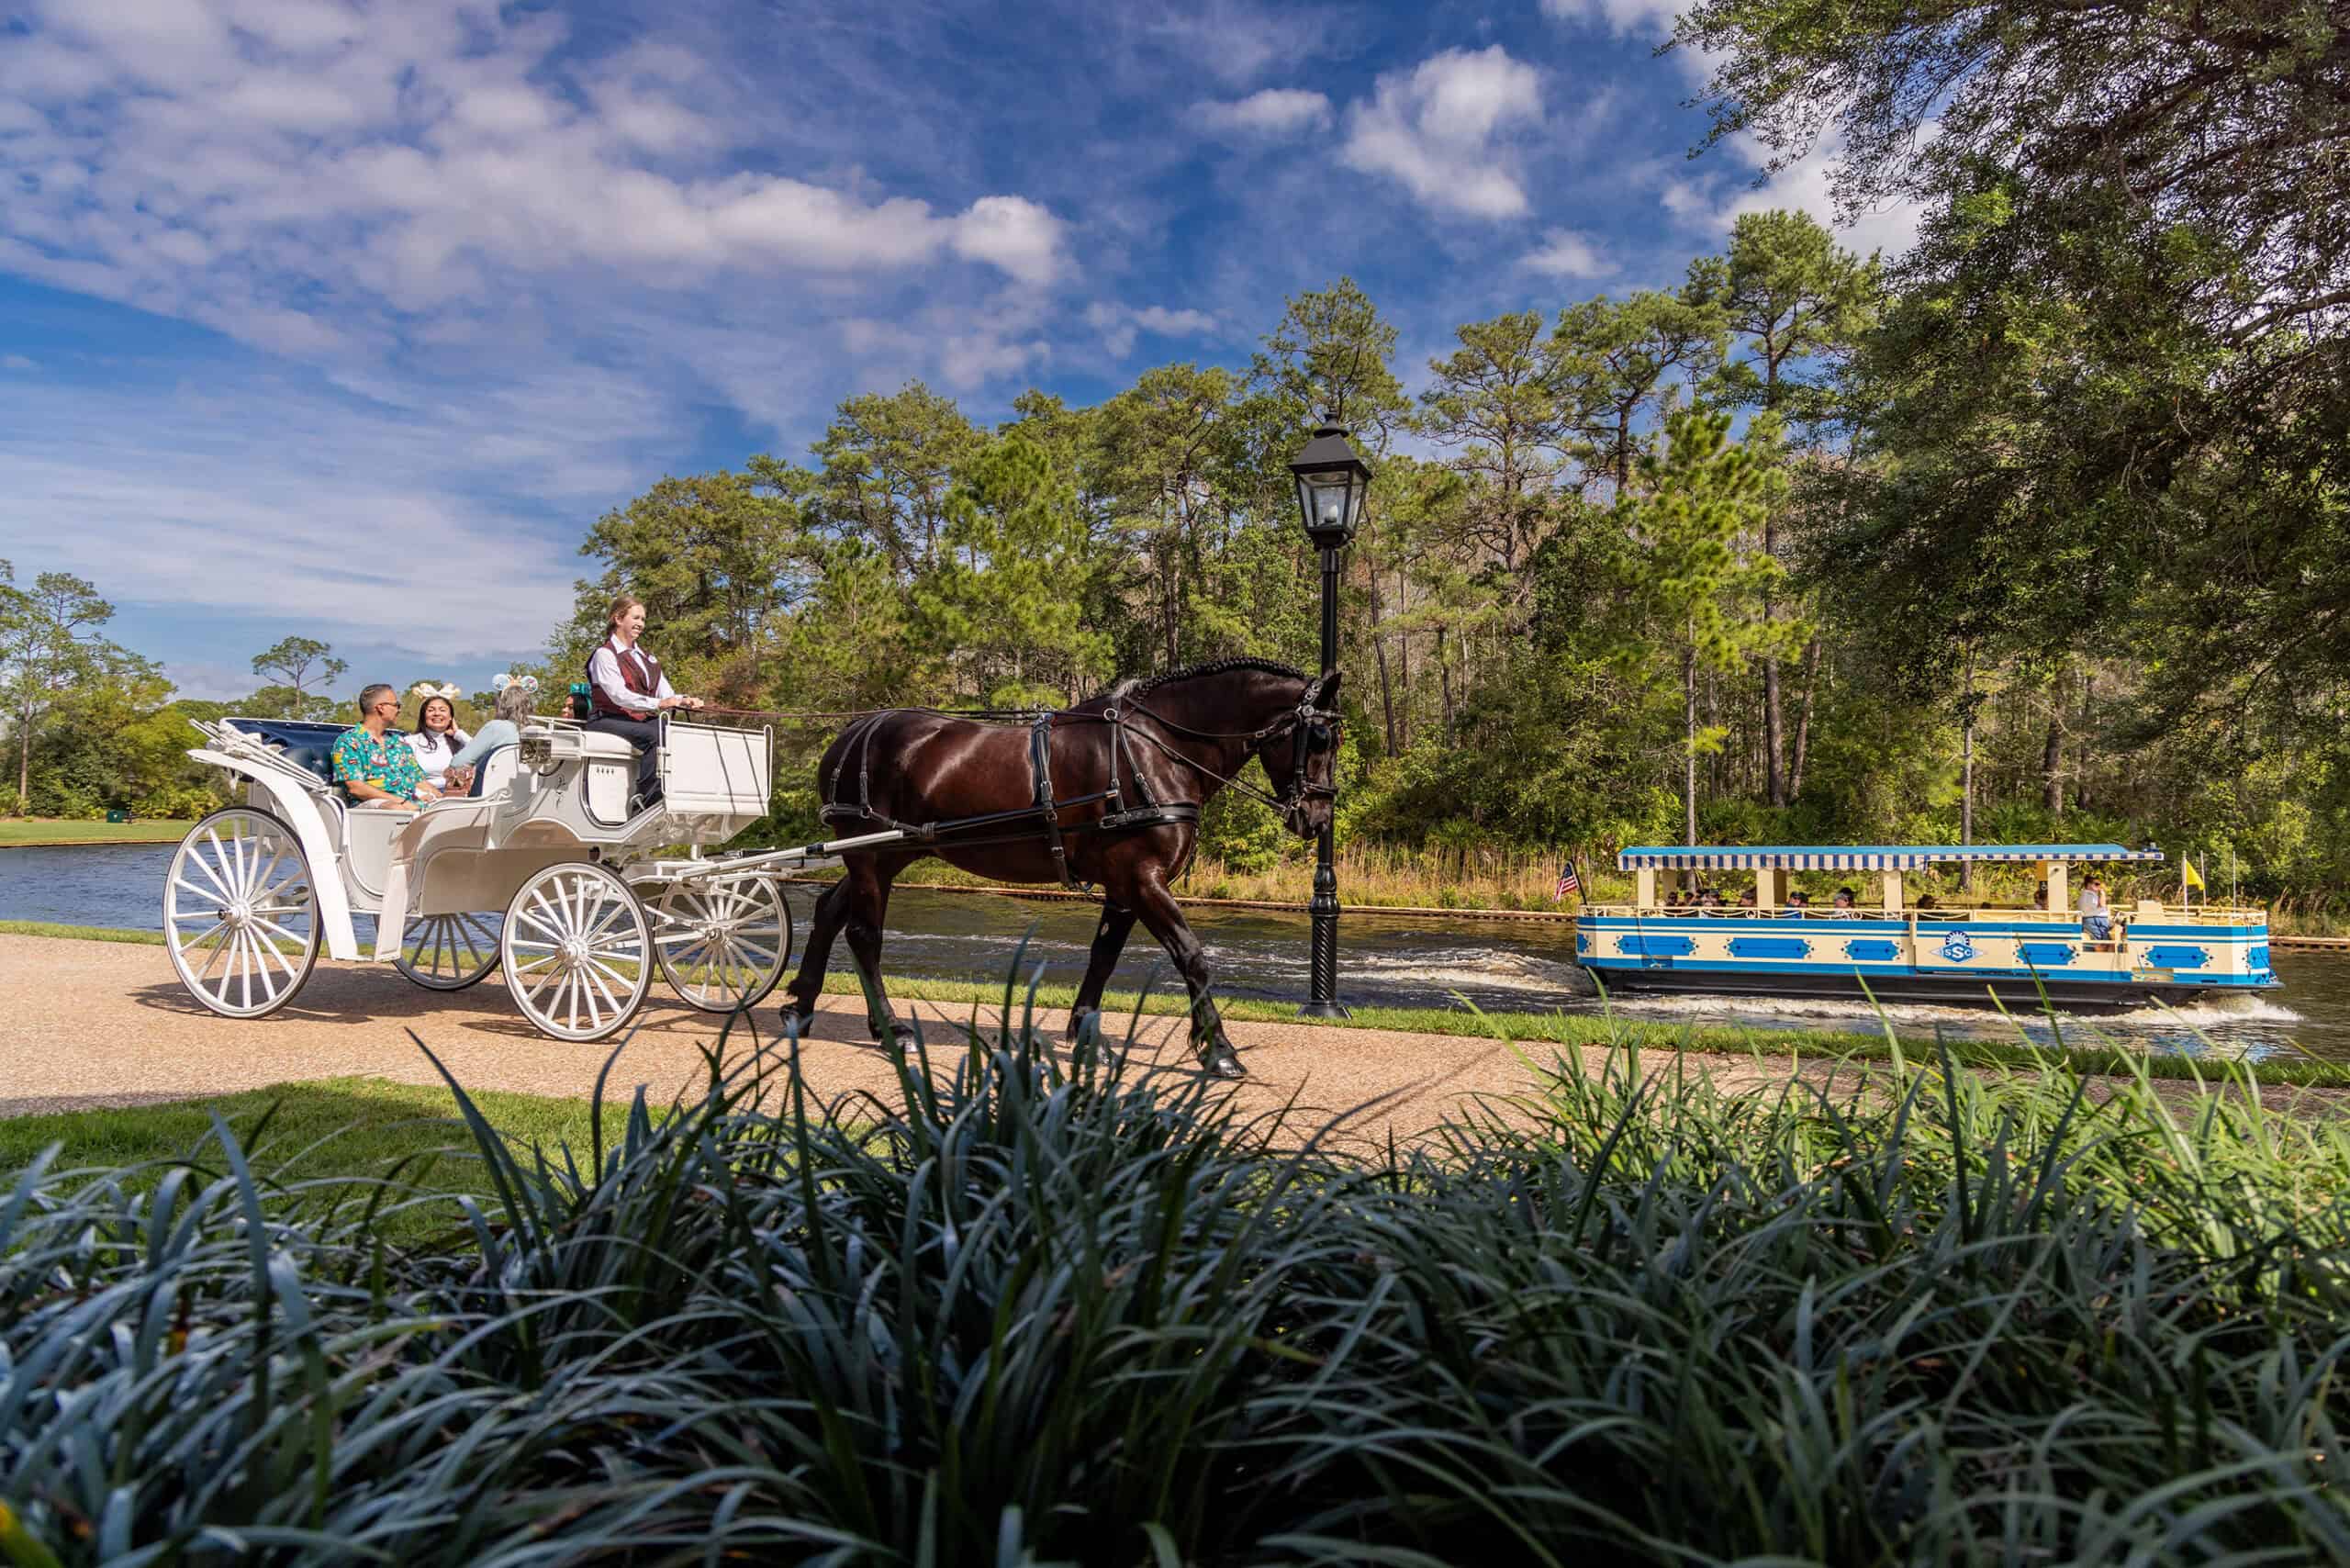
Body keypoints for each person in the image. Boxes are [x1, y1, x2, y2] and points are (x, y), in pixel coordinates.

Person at [586, 594, 705, 808]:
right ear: (618, 619)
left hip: (634, 720)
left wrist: (684, 700)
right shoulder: (604, 655)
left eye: (643, 619)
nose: (641, 624)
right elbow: (618, 695)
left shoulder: (647, 658)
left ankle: (686, 791)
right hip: (606, 719)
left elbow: (665, 691)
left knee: (678, 732)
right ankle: (648, 800)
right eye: (636, 618)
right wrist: (659, 704)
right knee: (653, 735)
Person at [332, 683, 440, 809]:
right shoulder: (349, 741)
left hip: (409, 804)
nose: (399, 710)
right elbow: (356, 788)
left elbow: (419, 781)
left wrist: (444, 800)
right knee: (396, 808)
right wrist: (402, 802)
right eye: (396, 705)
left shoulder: (399, 742)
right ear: (381, 708)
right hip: (371, 806)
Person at [444, 674, 538, 794]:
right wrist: (459, 734)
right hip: (526, 798)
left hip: (491, 798)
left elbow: (458, 763)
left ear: (501, 705)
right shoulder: (536, 732)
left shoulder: (496, 727)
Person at [405, 684, 471, 792]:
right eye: (431, 710)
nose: (437, 714)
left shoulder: (459, 742)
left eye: (442, 710)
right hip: (424, 795)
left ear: (450, 717)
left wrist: (459, 734)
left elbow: (483, 755)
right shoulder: (410, 742)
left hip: (457, 795)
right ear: (423, 716)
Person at [2078, 873, 2112, 942]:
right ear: (2089, 884)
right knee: (2100, 942)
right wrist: (2102, 893)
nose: (2099, 886)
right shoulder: (2087, 895)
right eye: (2096, 884)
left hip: (2097, 919)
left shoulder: (2092, 895)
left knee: (2104, 941)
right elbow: (2101, 905)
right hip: (2094, 920)